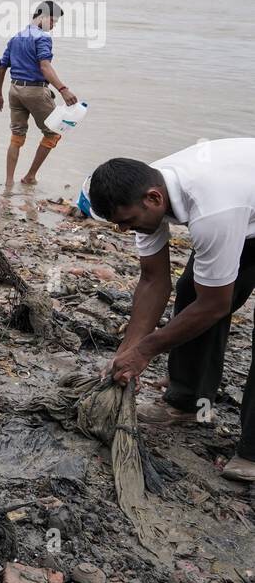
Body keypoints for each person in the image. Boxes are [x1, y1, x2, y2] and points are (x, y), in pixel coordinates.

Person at [89, 141, 255, 482]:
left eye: (128, 222)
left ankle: (253, 452)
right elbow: (153, 281)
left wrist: (147, 349)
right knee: (192, 290)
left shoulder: (212, 211)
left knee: (207, 301)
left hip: (236, 207)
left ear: (154, 199)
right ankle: (188, 403)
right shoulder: (144, 189)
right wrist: (128, 351)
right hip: (246, 210)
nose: (125, 230)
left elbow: (215, 306)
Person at [0, 0, 78, 187]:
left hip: (14, 90)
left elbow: (1, 69)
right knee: (53, 133)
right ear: (43, 16)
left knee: (17, 136)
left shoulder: (16, 37)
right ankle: (30, 176)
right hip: (35, 91)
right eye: (53, 21)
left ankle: (9, 181)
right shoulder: (42, 38)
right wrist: (63, 90)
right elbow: (45, 66)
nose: (53, 26)